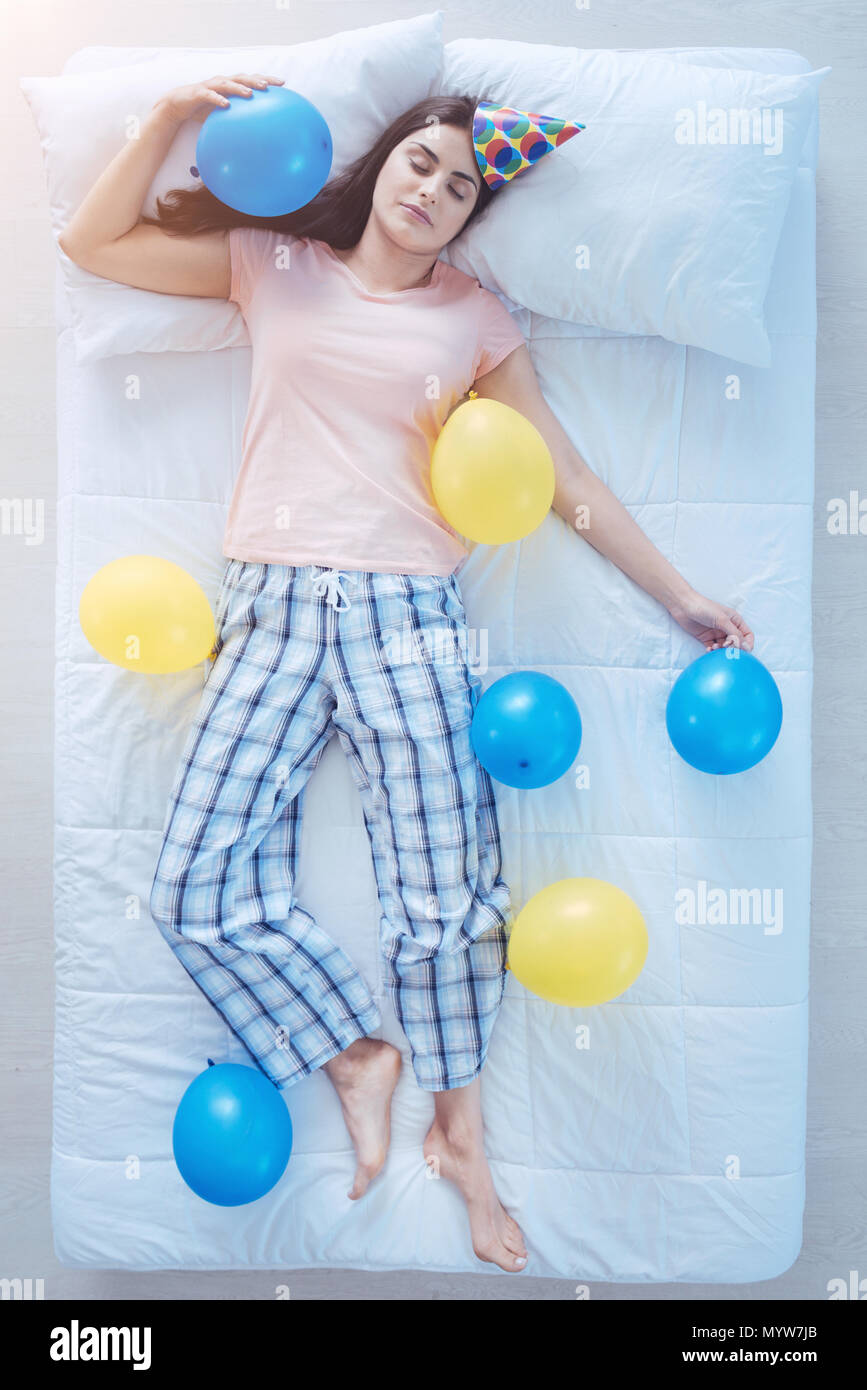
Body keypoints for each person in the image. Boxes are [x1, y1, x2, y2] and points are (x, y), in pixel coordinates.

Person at [59, 74, 755, 1275]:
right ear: (381, 163)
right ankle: (350, 1050)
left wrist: (680, 591)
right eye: (422, 163)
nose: (434, 190)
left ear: (474, 213)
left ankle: (464, 1134)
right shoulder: (271, 266)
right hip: (272, 607)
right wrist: (170, 110)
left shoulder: (475, 320)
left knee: (445, 894)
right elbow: (90, 240)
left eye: (462, 184)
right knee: (190, 886)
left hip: (409, 619)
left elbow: (564, 482)